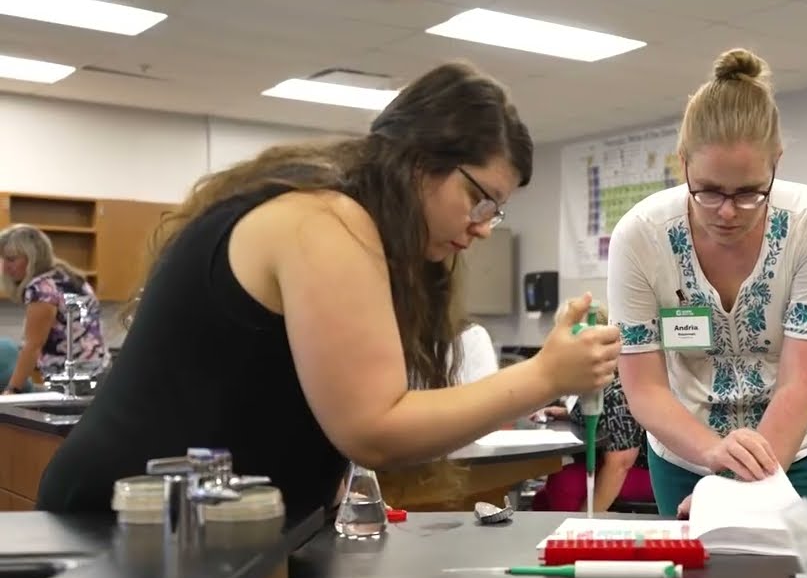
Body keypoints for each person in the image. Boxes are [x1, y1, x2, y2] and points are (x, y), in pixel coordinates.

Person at [36, 61, 620, 518]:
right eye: (480, 198)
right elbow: (375, 429)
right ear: (419, 161)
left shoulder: (339, 218)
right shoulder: (326, 222)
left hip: (190, 525)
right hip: (126, 526)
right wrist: (544, 376)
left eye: (497, 210)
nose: (484, 226)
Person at [607, 48, 807, 517]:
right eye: (710, 190)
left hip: (803, 453)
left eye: (748, 193)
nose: (726, 211)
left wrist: (734, 491)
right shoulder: (640, 237)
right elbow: (645, 389)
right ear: (683, 164)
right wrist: (712, 456)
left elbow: (798, 383)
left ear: (776, 162)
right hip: (686, 452)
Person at [531, 304, 654, 513]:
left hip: (640, 472)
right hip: (611, 465)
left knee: (564, 482)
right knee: (542, 498)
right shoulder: (593, 381)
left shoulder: (616, 392)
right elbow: (598, 413)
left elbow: (620, 464)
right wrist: (567, 413)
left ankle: (572, 540)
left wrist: (587, 517)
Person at [0, 224, 109, 394]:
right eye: (3, 259)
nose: (5, 267)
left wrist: (12, 390)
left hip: (73, 380)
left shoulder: (41, 288)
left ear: (32, 257)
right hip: (98, 373)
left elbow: (33, 345)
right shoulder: (69, 276)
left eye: (12, 259)